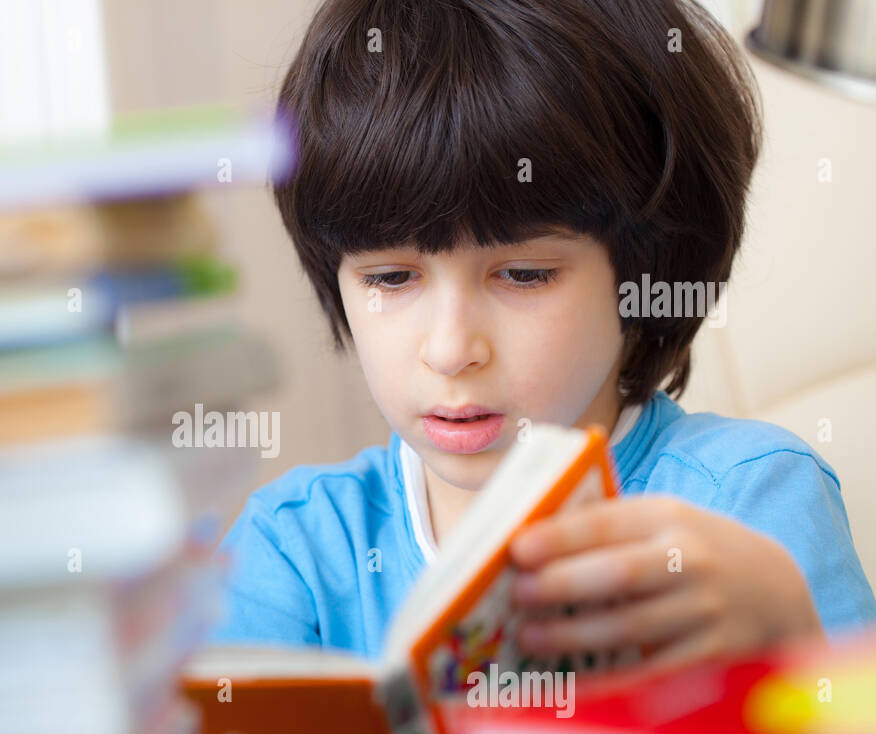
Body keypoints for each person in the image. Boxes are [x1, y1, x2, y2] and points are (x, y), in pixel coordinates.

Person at [211, 0, 876, 669]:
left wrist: (789, 630)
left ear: (646, 268)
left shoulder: (747, 501)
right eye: (390, 278)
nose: (449, 349)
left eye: (523, 274)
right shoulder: (293, 549)